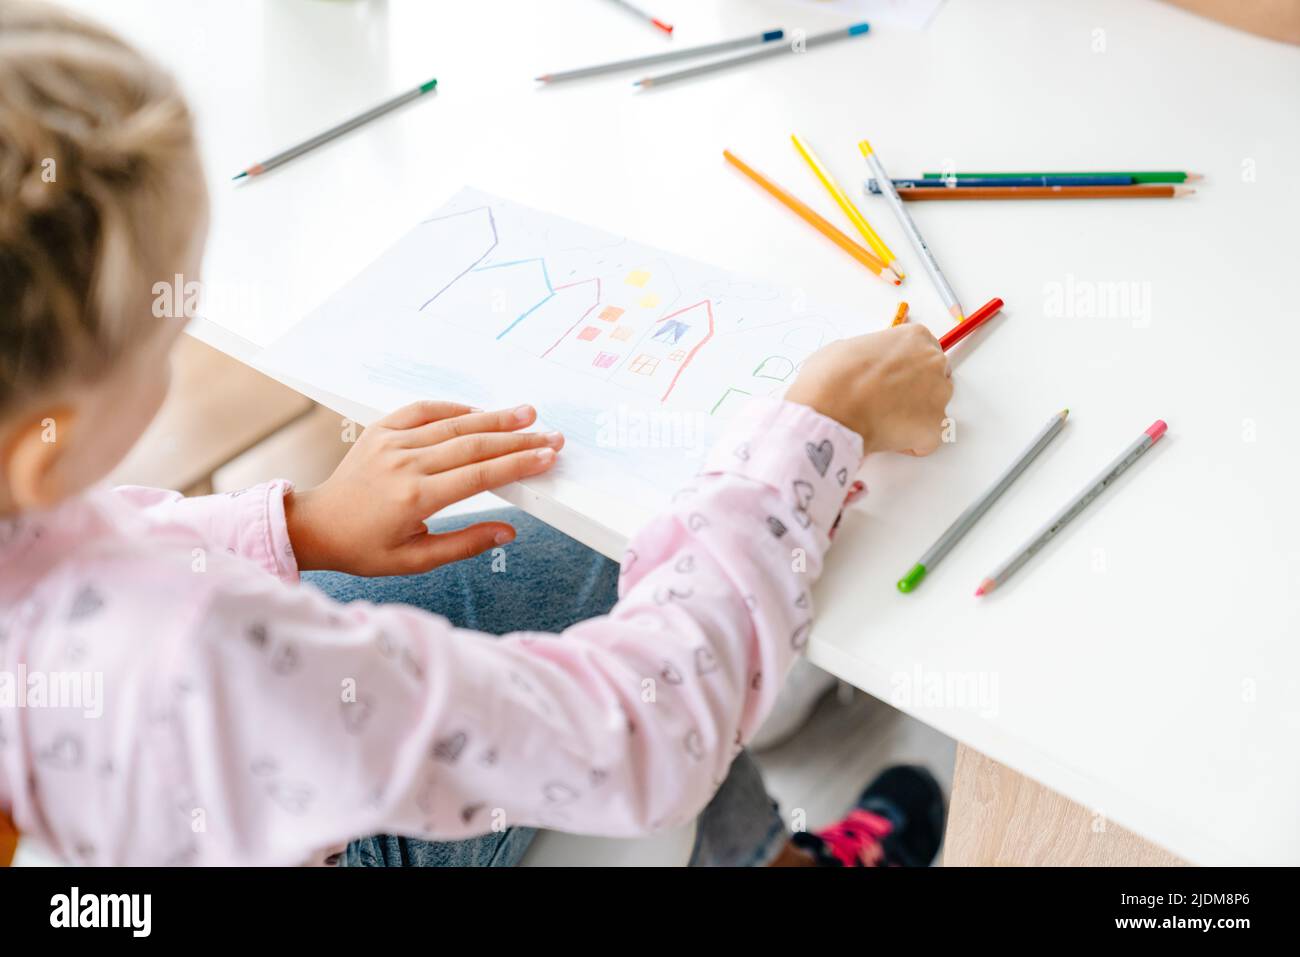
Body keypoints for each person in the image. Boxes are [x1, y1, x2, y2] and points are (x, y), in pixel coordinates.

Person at [0, 0, 952, 866]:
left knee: (560, 568)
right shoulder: (193, 654)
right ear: (48, 451)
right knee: (614, 582)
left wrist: (293, 529)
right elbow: (635, 733)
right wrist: (812, 432)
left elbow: (83, 550)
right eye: (165, 342)